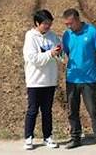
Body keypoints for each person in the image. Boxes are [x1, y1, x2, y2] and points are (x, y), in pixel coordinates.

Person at [61, 8, 96, 151]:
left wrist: (88, 63)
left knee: (93, 109)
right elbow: (68, 52)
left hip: (89, 78)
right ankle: (75, 137)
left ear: (77, 20)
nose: (68, 26)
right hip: (72, 78)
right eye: (66, 24)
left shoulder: (92, 31)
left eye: (70, 23)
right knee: (72, 110)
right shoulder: (67, 35)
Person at [22, 9, 62, 150]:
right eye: (45, 23)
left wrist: (59, 52)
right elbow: (32, 58)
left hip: (50, 80)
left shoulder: (53, 36)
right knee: (32, 110)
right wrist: (50, 53)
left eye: (50, 23)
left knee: (47, 111)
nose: (48, 26)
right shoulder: (30, 37)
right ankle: (28, 138)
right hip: (35, 81)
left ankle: (48, 137)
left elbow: (60, 52)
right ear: (37, 23)